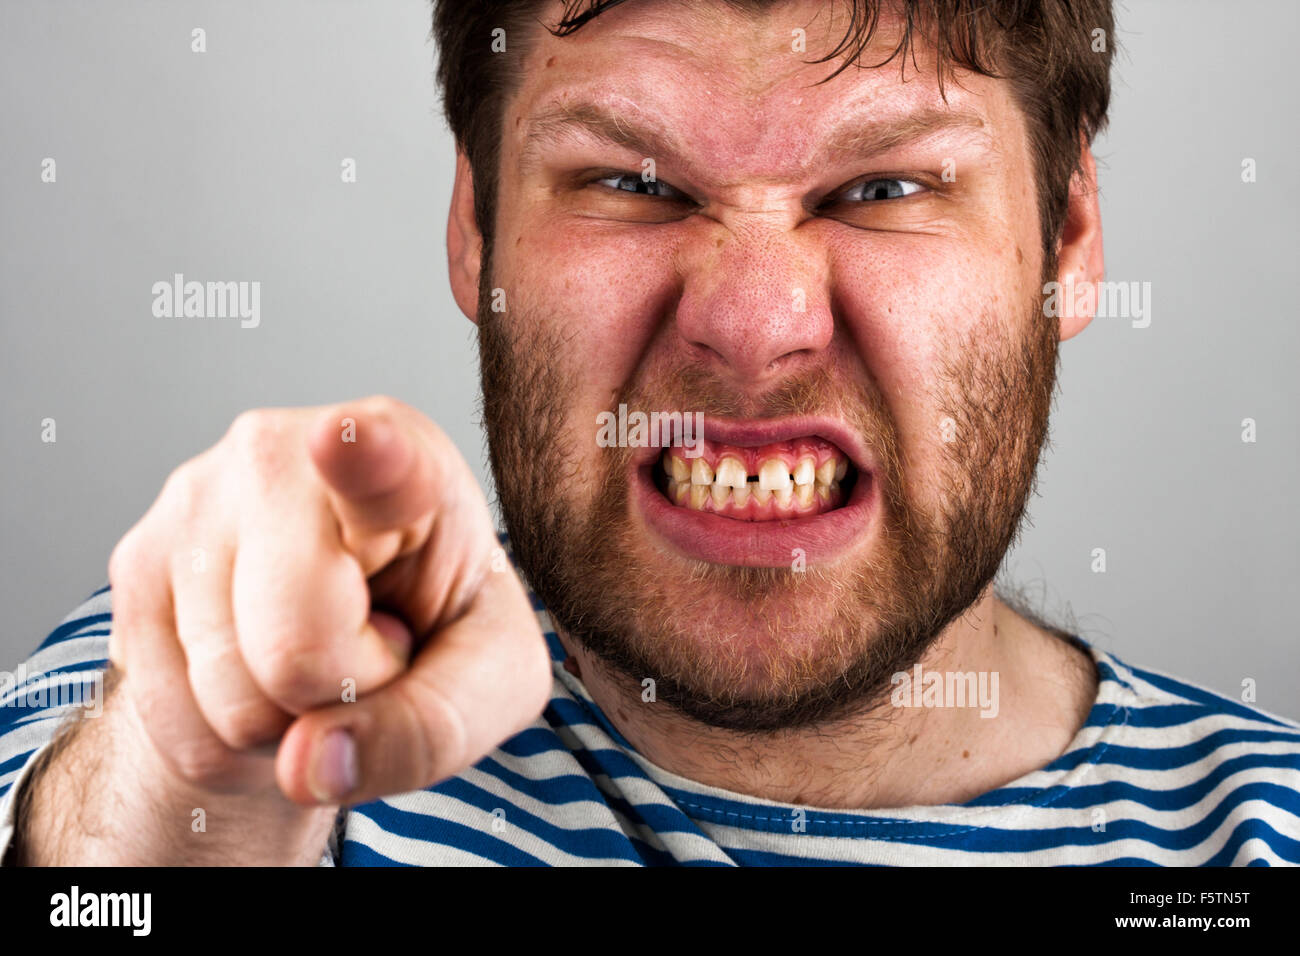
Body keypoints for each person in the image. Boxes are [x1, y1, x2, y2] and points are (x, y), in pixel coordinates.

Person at [2, 0, 1297, 867]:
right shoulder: (159, 697)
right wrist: (201, 786)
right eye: (630, 183)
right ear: (477, 228)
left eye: (885, 187)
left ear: (1067, 245)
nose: (750, 319)